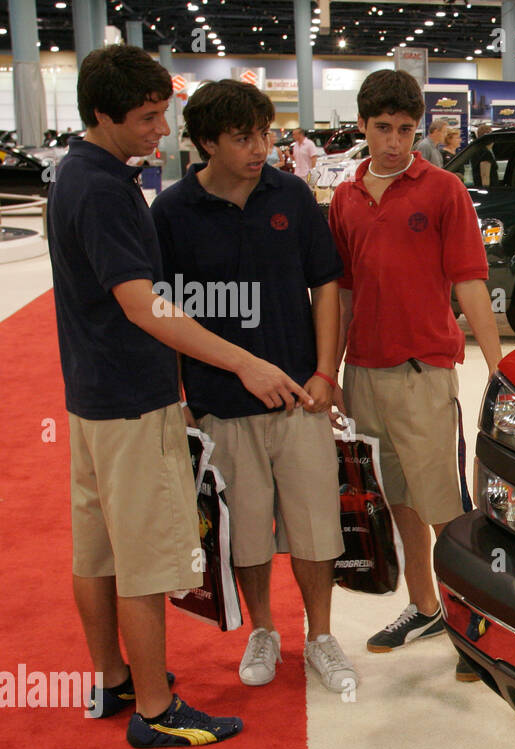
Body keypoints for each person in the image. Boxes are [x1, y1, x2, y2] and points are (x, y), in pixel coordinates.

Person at [48, 45, 310, 747]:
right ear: (103, 114)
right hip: (132, 400)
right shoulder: (104, 188)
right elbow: (144, 305)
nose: (159, 131)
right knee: (142, 557)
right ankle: (157, 707)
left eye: (162, 114)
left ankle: (112, 677)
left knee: (99, 551)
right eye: (145, 118)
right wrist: (244, 362)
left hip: (92, 399)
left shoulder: (79, 172)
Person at [151, 80, 356, 694]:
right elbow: (159, 310)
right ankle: (263, 629)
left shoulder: (291, 195)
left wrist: (326, 372)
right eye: (243, 138)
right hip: (221, 405)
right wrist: (183, 396)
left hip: (299, 397)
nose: (259, 148)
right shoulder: (172, 212)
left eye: (264, 135)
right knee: (246, 530)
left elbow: (326, 286)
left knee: (318, 526)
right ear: (207, 142)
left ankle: (320, 634)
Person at [327, 69, 501, 678]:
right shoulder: (345, 198)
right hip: (364, 375)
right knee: (397, 499)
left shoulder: (444, 189)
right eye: (383, 129)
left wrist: (500, 366)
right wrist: (330, 371)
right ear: (363, 127)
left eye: (406, 130)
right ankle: (425, 606)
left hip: (422, 372)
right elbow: (341, 294)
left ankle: (472, 620)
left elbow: (470, 282)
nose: (396, 142)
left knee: (445, 506)